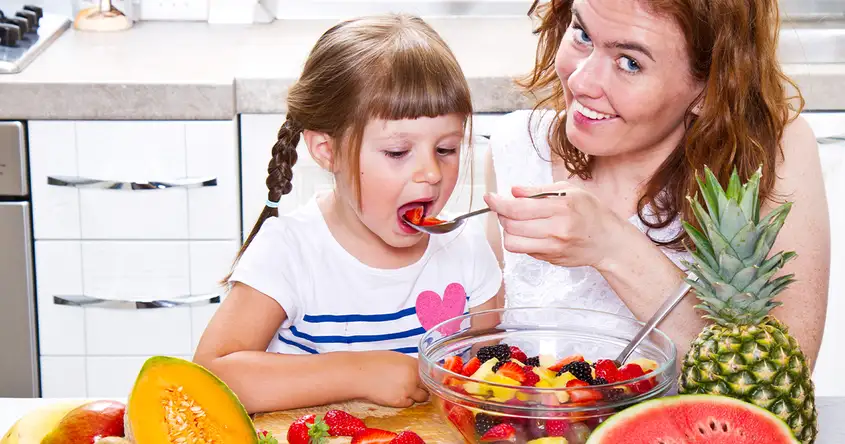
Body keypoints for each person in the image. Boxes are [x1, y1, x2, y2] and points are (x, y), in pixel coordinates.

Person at [483, 0, 830, 368]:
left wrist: (613, 247)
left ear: (709, 90)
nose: (580, 81)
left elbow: (780, 378)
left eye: (630, 62)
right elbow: (480, 348)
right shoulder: (515, 146)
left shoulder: (774, 153)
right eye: (583, 35)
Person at [193, 14, 503, 414]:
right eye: (397, 152)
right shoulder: (289, 251)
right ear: (327, 150)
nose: (430, 173)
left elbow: (493, 377)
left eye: (446, 149)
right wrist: (358, 373)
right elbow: (210, 377)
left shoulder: (467, 250)